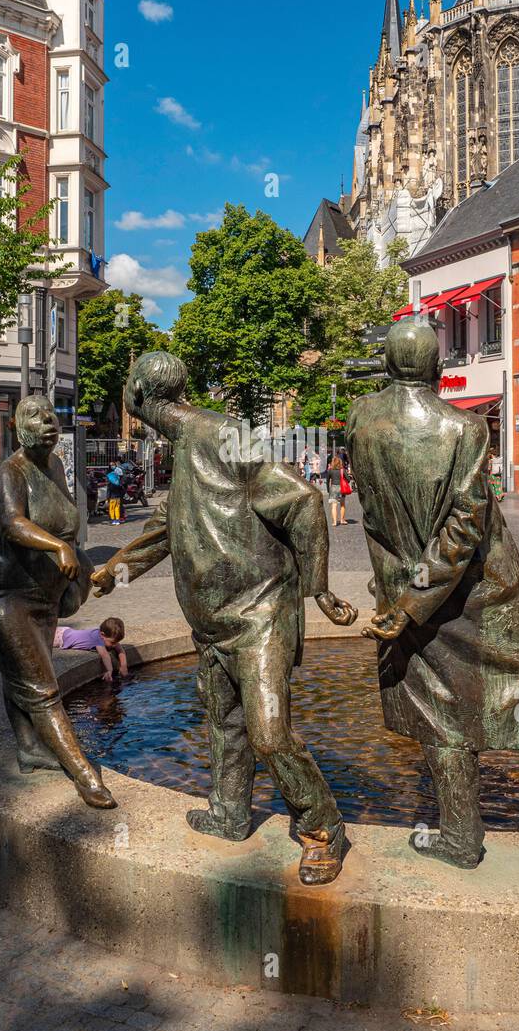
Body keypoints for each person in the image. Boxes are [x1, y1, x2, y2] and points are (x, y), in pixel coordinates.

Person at [346, 320, 519, 876]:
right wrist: (414, 601)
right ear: (436, 370)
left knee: (441, 718)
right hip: (483, 596)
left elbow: (377, 513)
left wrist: (404, 600)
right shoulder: (466, 429)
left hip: (412, 594)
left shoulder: (360, 418)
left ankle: (460, 837)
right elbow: (464, 528)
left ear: (387, 367)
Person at [91, 351, 358, 885]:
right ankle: (230, 812)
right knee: (225, 723)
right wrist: (109, 577)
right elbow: (159, 537)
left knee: (269, 732)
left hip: (259, 613)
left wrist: (318, 589)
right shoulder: (184, 449)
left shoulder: (220, 433)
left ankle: (322, 825)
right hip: (213, 624)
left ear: (138, 395)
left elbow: (303, 501)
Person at [0, 395, 115, 809]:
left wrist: (83, 570)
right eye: (36, 416)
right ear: (18, 427)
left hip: (42, 592)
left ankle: (30, 747)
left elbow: (65, 521)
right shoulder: (9, 473)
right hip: (1, 593)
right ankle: (85, 774)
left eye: (51, 415)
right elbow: (14, 524)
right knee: (42, 685)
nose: (48, 422)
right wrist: (59, 547)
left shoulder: (57, 467)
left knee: (25, 672)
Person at [54, 616, 130, 682]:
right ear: (102, 634)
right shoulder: (97, 638)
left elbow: (121, 650)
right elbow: (105, 655)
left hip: (66, 631)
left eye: (117, 642)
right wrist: (109, 670)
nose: (115, 645)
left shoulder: (107, 637)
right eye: (113, 642)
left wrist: (123, 666)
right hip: (60, 637)